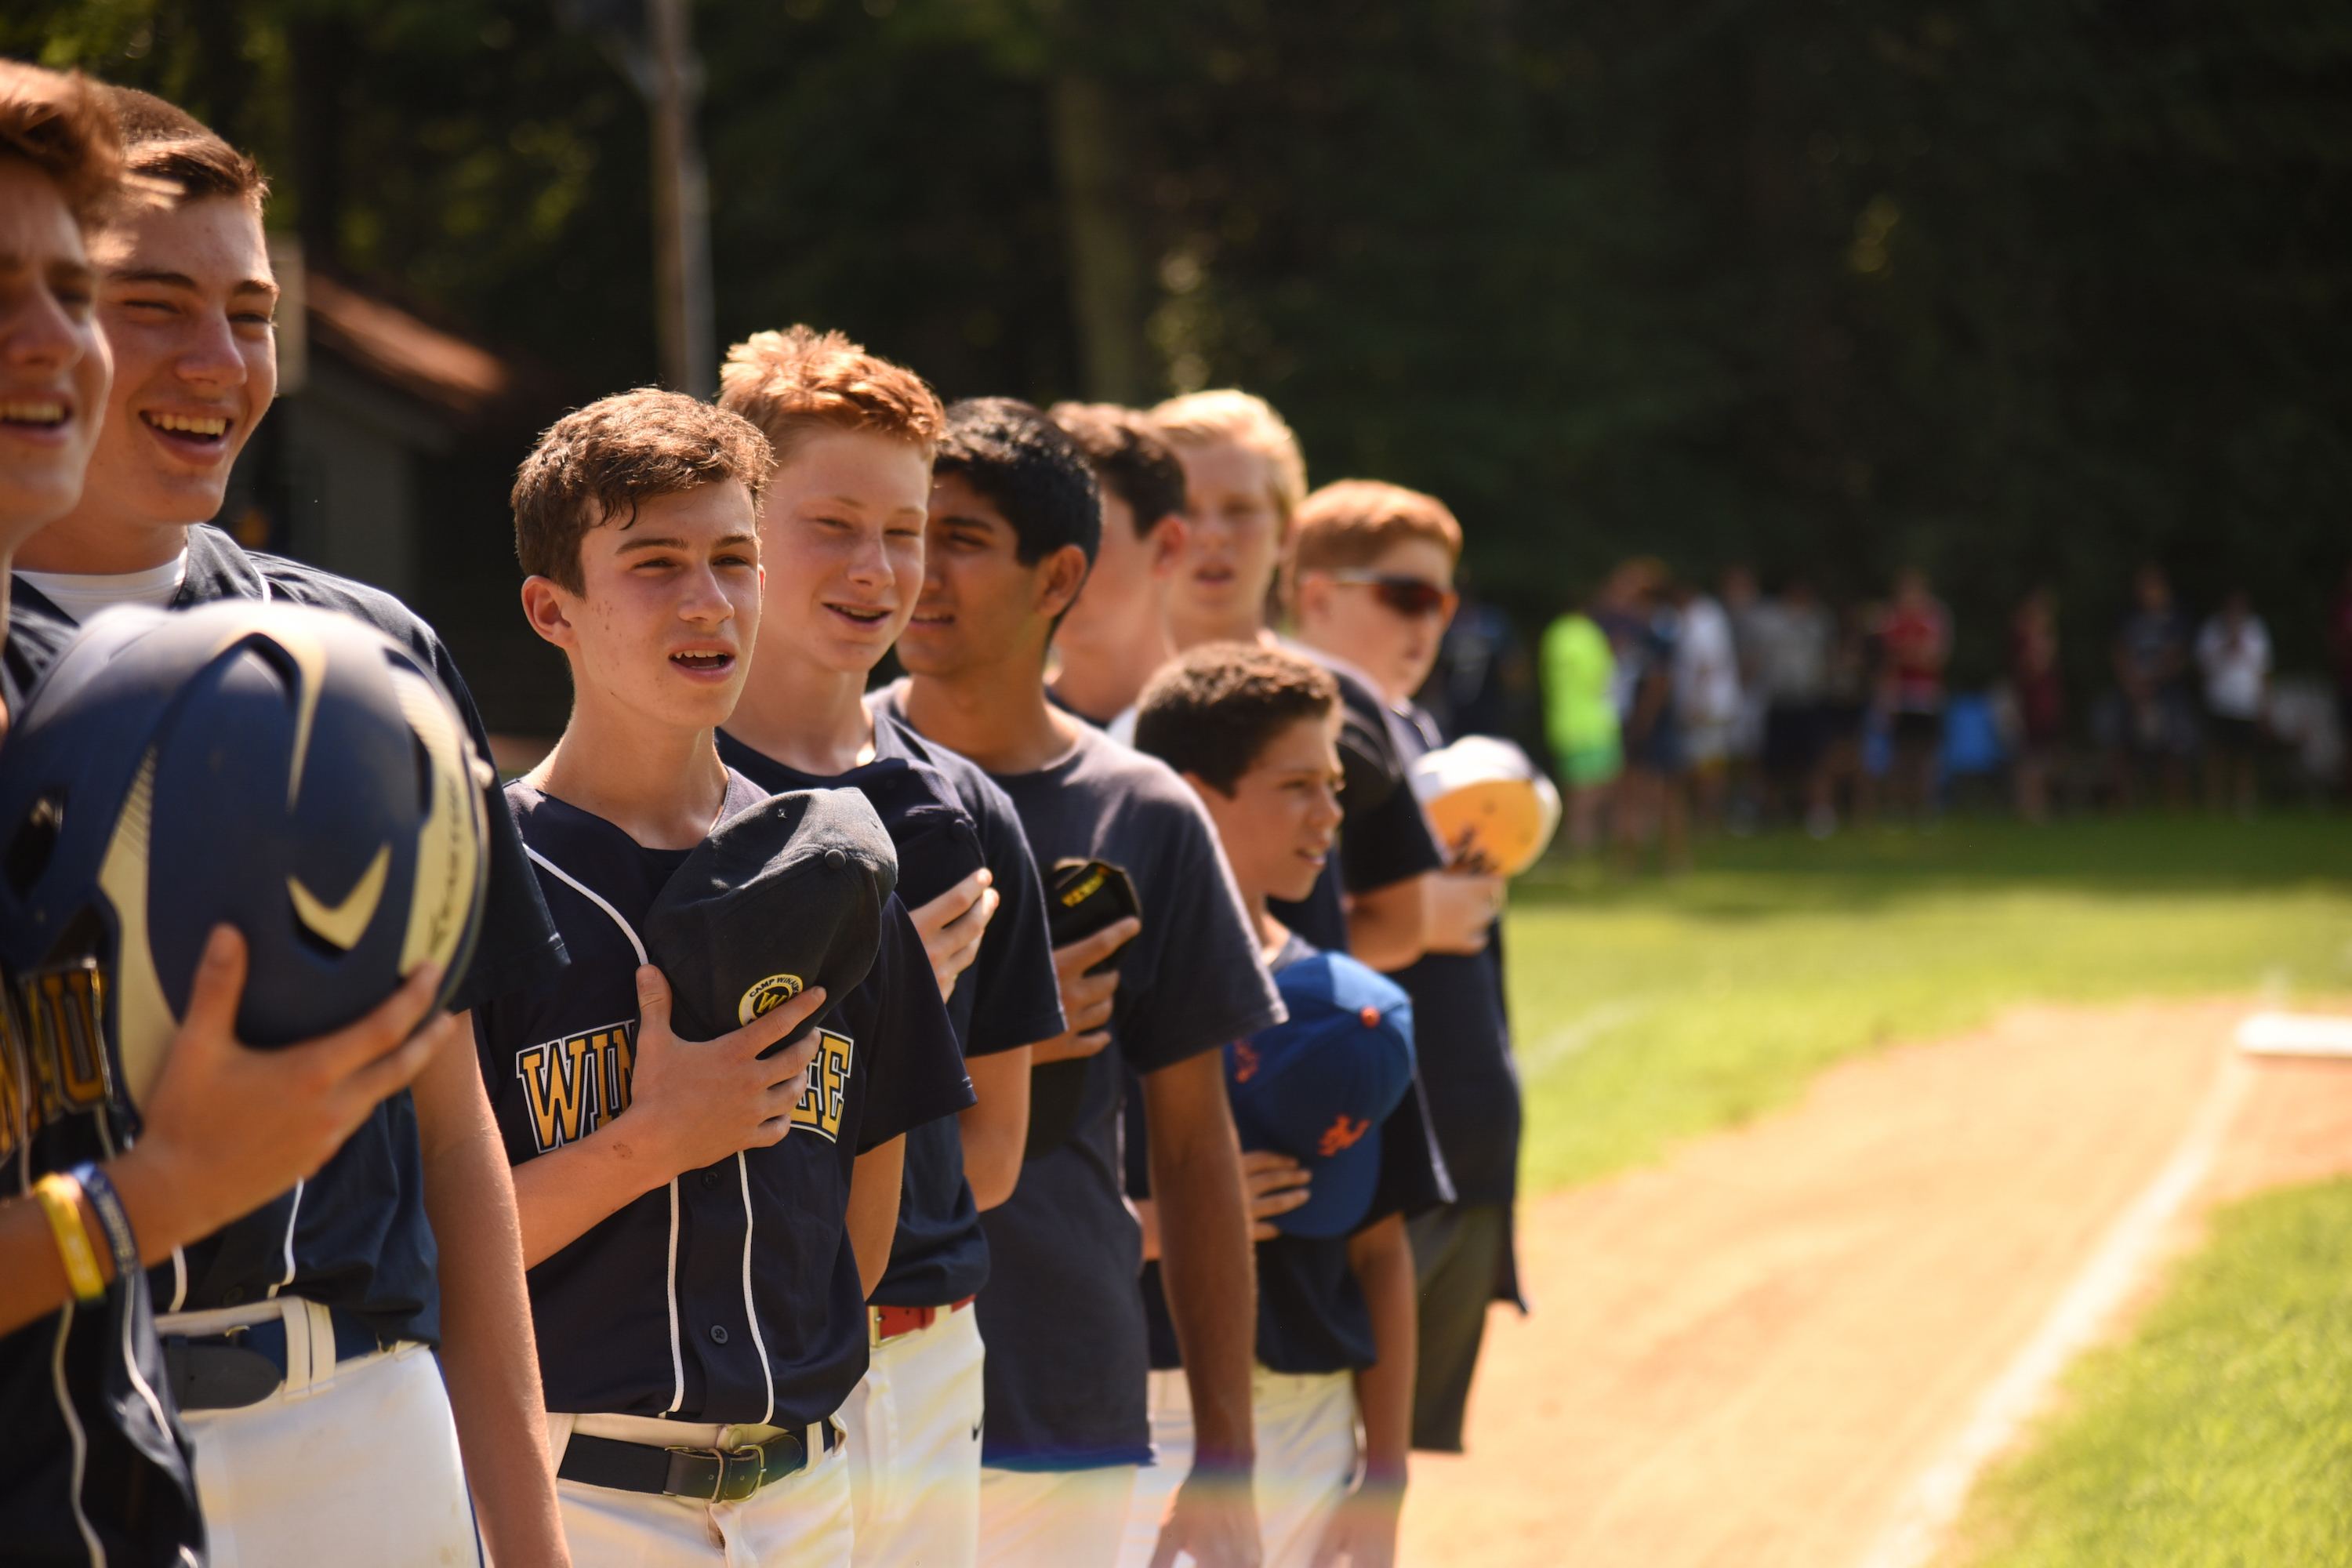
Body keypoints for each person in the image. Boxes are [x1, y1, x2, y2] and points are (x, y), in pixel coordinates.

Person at [9, 85, 568, 1567]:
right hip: (60, 1433)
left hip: (357, 1424)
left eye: (250, 312)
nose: (217, 362)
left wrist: (524, 1527)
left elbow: (456, 1130)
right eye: (146, 301)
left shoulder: (363, 662)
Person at [477, 388, 974, 1566]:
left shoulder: (840, 866)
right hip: (570, 1490)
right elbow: (435, 1247)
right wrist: (654, 1141)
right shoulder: (485, 875)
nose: (707, 600)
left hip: (800, 1494)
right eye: (654, 564)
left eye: (735, 558)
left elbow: (871, 1191)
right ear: (553, 607)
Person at [880, 397, 1280, 1568]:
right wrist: (1002, 1025)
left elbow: (1199, 1153)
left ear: (1059, 574)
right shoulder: (819, 782)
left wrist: (1227, 1454)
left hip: (1061, 1386)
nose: (917, 571)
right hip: (839, 1392)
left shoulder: (1144, 811)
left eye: (960, 538)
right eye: (909, 531)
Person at [714, 325, 1067, 1567]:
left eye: (906, 530)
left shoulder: (965, 815)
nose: (878, 568)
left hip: (930, 1353)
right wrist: (878, 991)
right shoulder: (670, 799)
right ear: (740, 521)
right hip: (734, 1361)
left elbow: (998, 1154)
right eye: (834, 524)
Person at [1123, 643, 1451, 1567]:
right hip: (1133, 1403)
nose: (1331, 814)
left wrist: (1385, 1475)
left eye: (1335, 784)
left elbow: (1382, 1251)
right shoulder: (1091, 992)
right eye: (1299, 784)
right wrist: (1163, 1224)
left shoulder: (1350, 1007)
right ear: (1192, 793)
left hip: (1310, 1413)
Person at [1279, 480, 1516, 1458]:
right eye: (1405, 595)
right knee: (1341, 1456)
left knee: (1387, 1454)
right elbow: (1312, 932)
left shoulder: (1406, 720)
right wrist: (1431, 915)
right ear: (1317, 593)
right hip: (1385, 1156)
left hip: (1456, 1140)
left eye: (1444, 601)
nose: (1431, 620)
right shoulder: (1315, 721)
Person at [1152, 390, 1454, 971]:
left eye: (1240, 509)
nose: (1213, 534)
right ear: (1152, 529)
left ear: (1288, 533)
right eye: (1187, 508)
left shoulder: (1345, 701)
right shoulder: (1089, 703)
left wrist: (1274, 979)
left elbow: (1399, 923)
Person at [1045, 401, 1189, 738]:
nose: (1055, 563)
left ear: (1168, 546)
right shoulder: (980, 741)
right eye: (1036, 533)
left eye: (1082, 533)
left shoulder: (1236, 731)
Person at [2105, 564, 2198, 811]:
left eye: (2153, 586)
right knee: (2122, 746)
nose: (2148, 592)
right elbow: (2119, 652)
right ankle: (2122, 805)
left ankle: (2176, 806)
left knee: (2175, 749)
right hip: (2132, 692)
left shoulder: (2176, 618)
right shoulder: (2127, 617)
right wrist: (2132, 684)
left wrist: (2153, 682)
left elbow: (2179, 656)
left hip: (2166, 692)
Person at [1538, 598, 1620, 855]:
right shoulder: (1590, 634)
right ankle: (1583, 848)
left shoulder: (1555, 634)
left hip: (1563, 723)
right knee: (1595, 791)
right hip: (1594, 724)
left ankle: (1577, 847)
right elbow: (1604, 676)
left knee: (1575, 792)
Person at [1875, 568, 1950, 825]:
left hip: (1925, 694)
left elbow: (1935, 657)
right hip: (1899, 694)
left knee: (1924, 753)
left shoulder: (1934, 618)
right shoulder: (1891, 618)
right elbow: (1889, 658)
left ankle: (1924, 806)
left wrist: (1908, 654)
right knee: (1899, 753)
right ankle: (1896, 806)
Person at [1671, 578, 1742, 838]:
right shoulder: (1705, 614)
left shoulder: (1701, 617)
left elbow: (1706, 664)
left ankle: (1708, 819)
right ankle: (1707, 818)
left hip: (1708, 706)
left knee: (1707, 764)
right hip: (1711, 704)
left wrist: (1696, 702)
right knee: (1707, 763)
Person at [2195, 589, 2270, 818]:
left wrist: (2264, 702)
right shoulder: (2212, 630)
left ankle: (2243, 804)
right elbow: (2202, 666)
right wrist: (2226, 646)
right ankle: (2215, 804)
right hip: (2219, 702)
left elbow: (2264, 669)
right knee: (2218, 755)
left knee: (2245, 757)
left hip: (2246, 704)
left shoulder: (2256, 630)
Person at [2009, 588, 2065, 825]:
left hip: (2048, 702)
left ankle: (2042, 801)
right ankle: (2030, 804)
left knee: (2048, 755)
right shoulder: (2023, 636)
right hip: (2031, 704)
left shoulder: (2048, 635)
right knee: (2031, 756)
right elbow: (2029, 668)